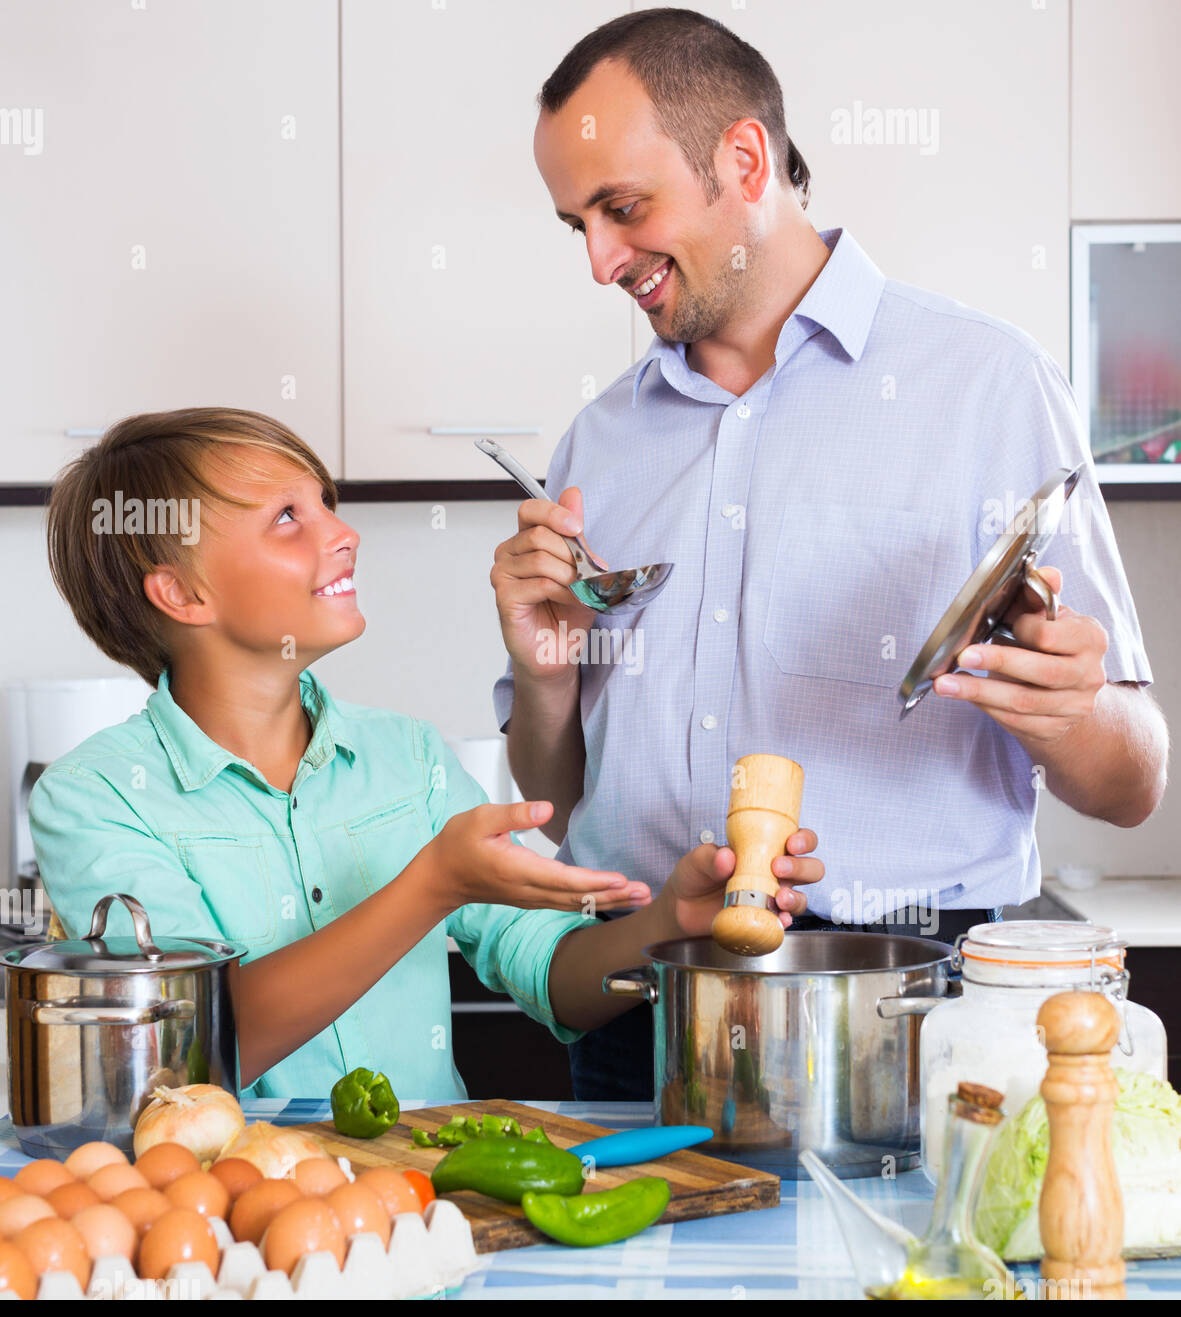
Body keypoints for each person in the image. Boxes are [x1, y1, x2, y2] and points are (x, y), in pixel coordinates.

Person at [489, 8, 1168, 1101]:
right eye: (577, 224)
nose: (601, 261)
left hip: (910, 1003)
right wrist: (541, 670)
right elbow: (552, 796)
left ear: (742, 159)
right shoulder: (598, 440)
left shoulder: (985, 388)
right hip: (644, 1000)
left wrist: (1069, 710)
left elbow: (1133, 781)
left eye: (622, 209)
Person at [28, 407, 820, 1099]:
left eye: (328, 505)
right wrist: (431, 886)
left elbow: (553, 977)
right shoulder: (94, 799)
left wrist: (668, 928)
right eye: (287, 518)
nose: (344, 533)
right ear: (183, 594)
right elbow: (193, 1055)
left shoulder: (407, 757)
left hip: (421, 1209)